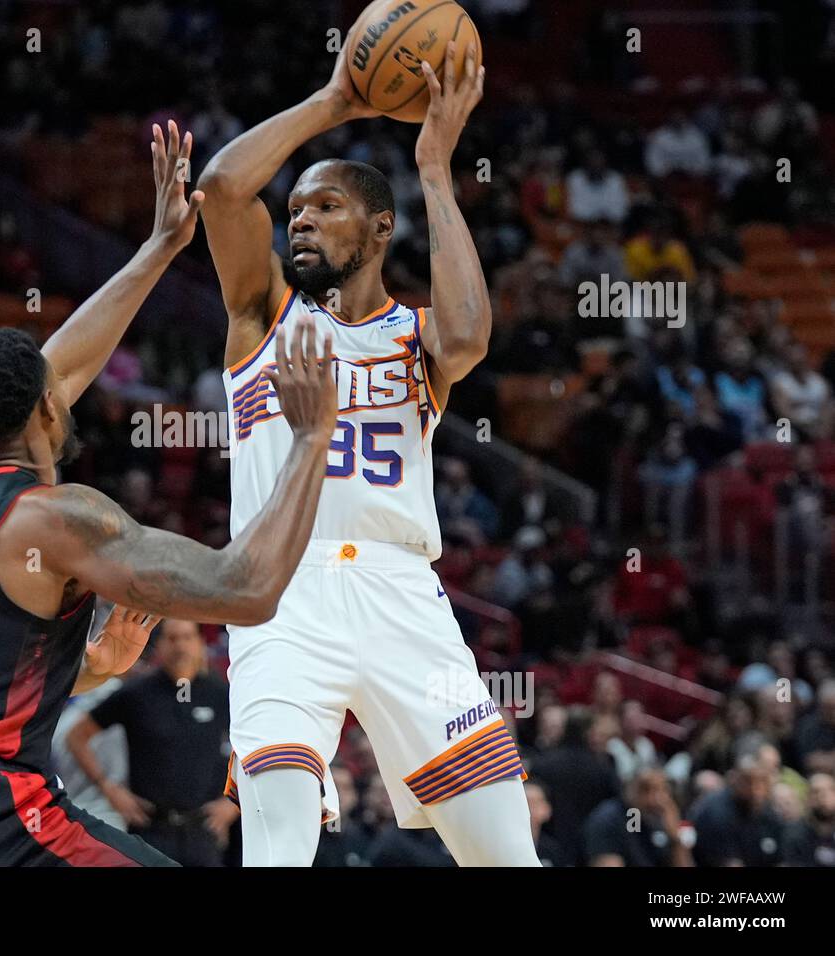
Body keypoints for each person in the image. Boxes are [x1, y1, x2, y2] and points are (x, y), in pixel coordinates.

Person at [0, 116, 341, 869]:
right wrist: (309, 441)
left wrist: (158, 248)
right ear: (47, 410)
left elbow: (59, 367)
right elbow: (248, 589)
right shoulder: (57, 516)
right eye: (57, 393)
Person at [195, 16, 536, 866]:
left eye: (327, 206)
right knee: (279, 849)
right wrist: (335, 98)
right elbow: (226, 189)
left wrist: (432, 167)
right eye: (299, 209)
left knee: (506, 856)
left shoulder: (417, 339)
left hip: (399, 594)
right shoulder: (261, 318)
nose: (301, 221)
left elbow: (468, 341)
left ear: (381, 229)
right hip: (280, 588)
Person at [65, 619, 236, 866]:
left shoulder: (220, 693)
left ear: (200, 643)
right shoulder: (136, 693)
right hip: (150, 828)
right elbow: (77, 736)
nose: (181, 646)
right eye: (172, 638)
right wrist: (110, 788)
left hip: (204, 830)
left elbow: (250, 748)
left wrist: (233, 803)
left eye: (187, 637)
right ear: (159, 645)